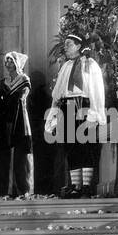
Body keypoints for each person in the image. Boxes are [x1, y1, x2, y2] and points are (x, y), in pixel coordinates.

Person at [48, 32, 107, 197]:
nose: (65, 47)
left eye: (69, 44)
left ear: (79, 46)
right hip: (68, 107)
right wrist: (53, 115)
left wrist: (95, 115)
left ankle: (87, 185)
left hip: (84, 107)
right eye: (65, 44)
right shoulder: (66, 66)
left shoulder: (90, 64)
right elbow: (58, 92)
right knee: (70, 146)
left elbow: (97, 90)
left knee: (85, 145)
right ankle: (75, 185)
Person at [0, 51, 33, 198]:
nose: (7, 64)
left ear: (16, 63)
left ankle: (22, 188)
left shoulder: (24, 80)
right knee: (4, 153)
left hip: (19, 118)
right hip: (5, 120)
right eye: (6, 61)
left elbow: (22, 96)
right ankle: (6, 188)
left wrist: (6, 100)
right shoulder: (3, 82)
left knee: (20, 153)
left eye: (10, 61)